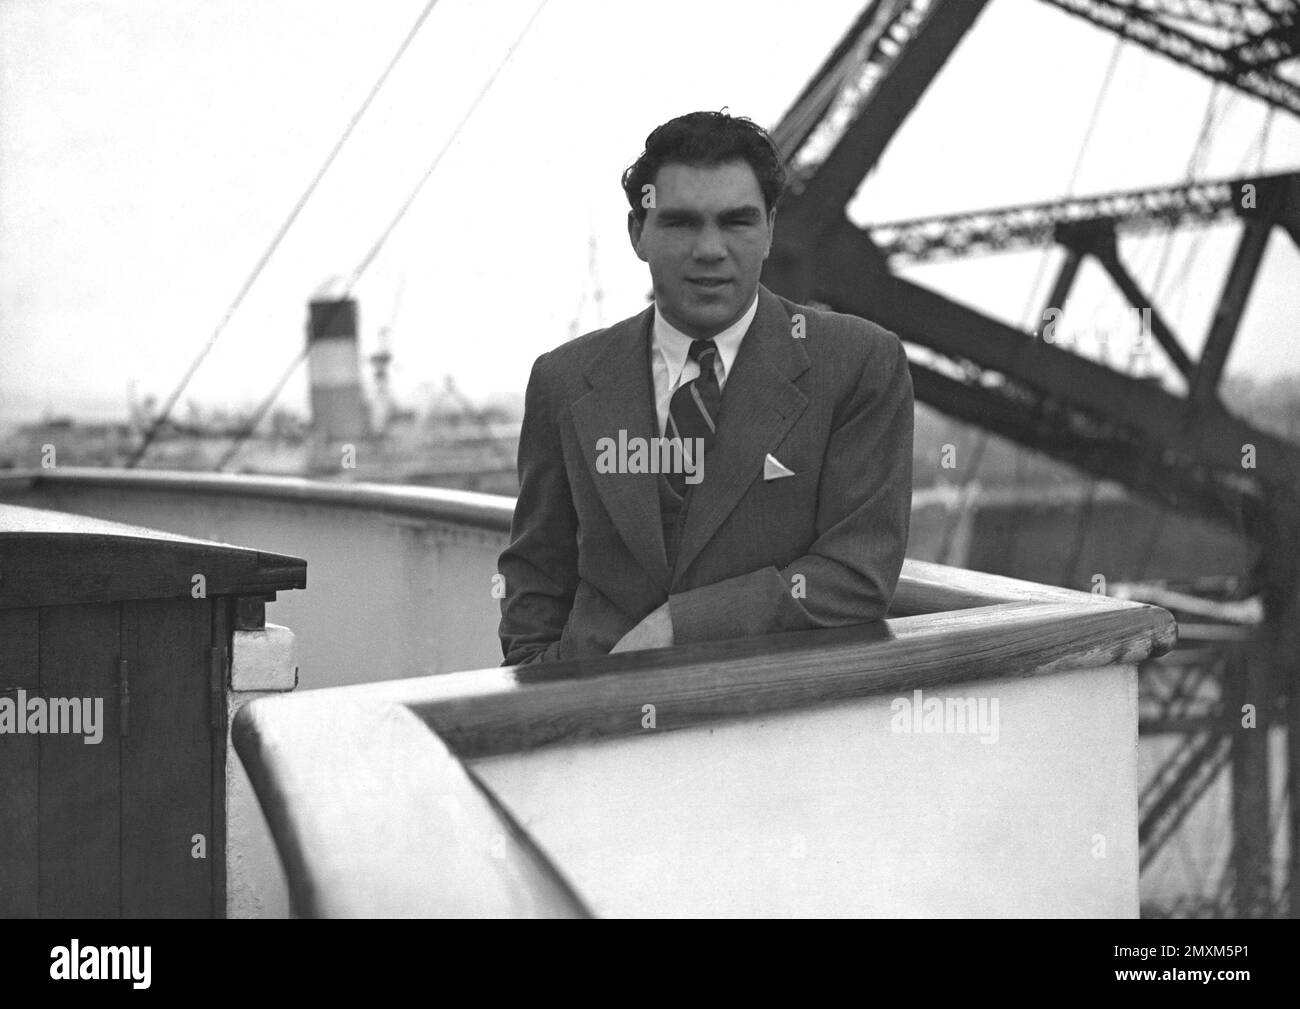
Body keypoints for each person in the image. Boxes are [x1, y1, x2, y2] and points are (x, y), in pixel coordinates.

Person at [498, 110, 913, 664]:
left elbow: (856, 576)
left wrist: (680, 624)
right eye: (680, 223)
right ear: (637, 234)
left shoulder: (859, 363)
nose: (709, 249)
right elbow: (536, 574)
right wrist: (538, 683)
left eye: (737, 222)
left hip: (768, 723)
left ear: (769, 230)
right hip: (597, 716)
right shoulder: (563, 379)